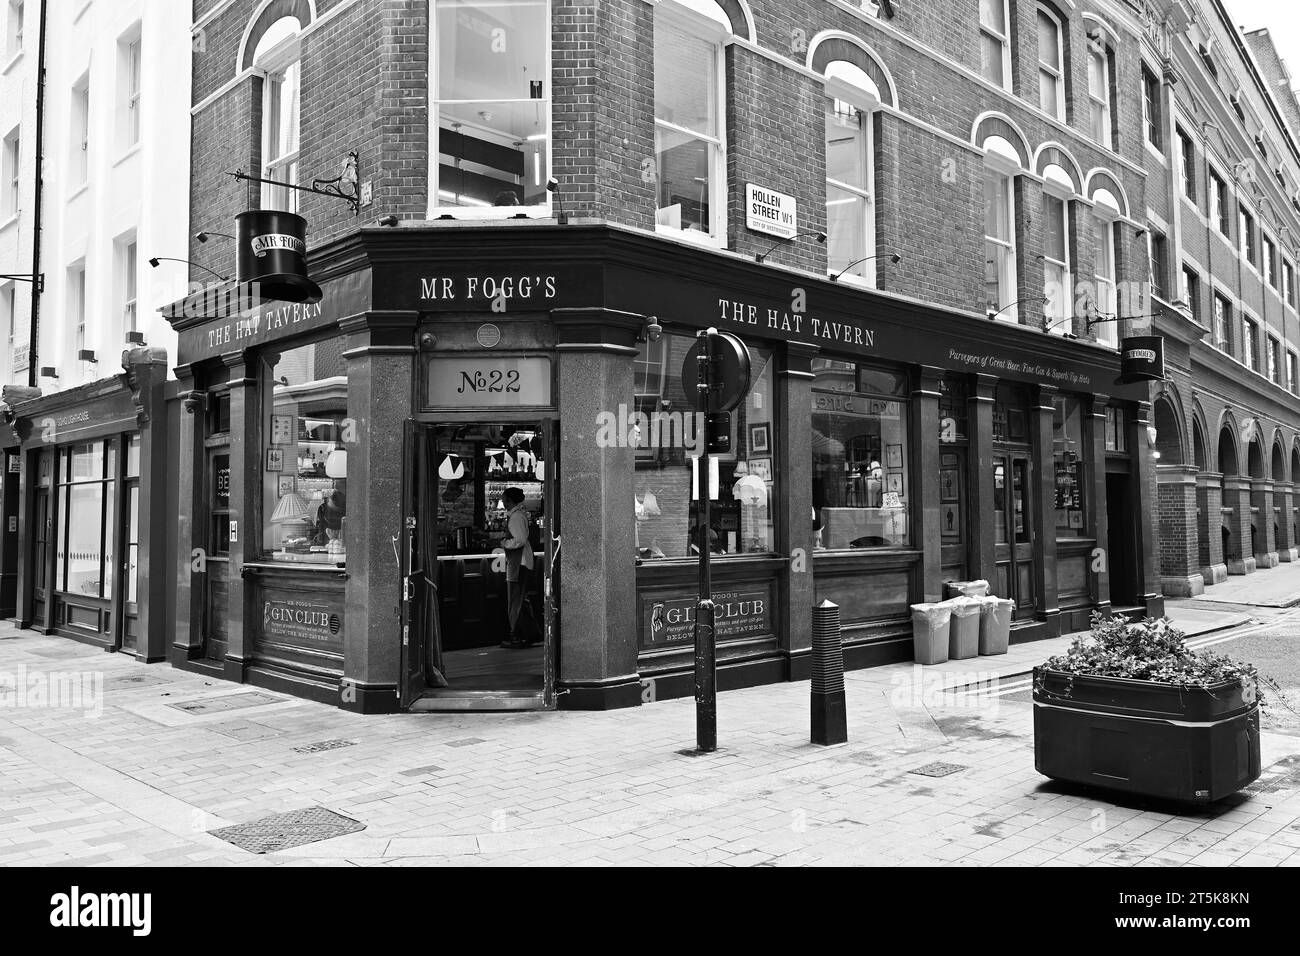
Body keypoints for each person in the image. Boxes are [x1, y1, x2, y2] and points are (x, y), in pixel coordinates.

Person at [499, 487, 538, 648]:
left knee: (515, 601)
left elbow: (520, 540)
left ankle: (517, 636)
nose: (502, 501)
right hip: (520, 562)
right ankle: (531, 634)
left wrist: (504, 543)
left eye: (503, 498)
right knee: (522, 600)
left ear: (509, 500)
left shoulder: (515, 517)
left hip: (518, 563)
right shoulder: (518, 515)